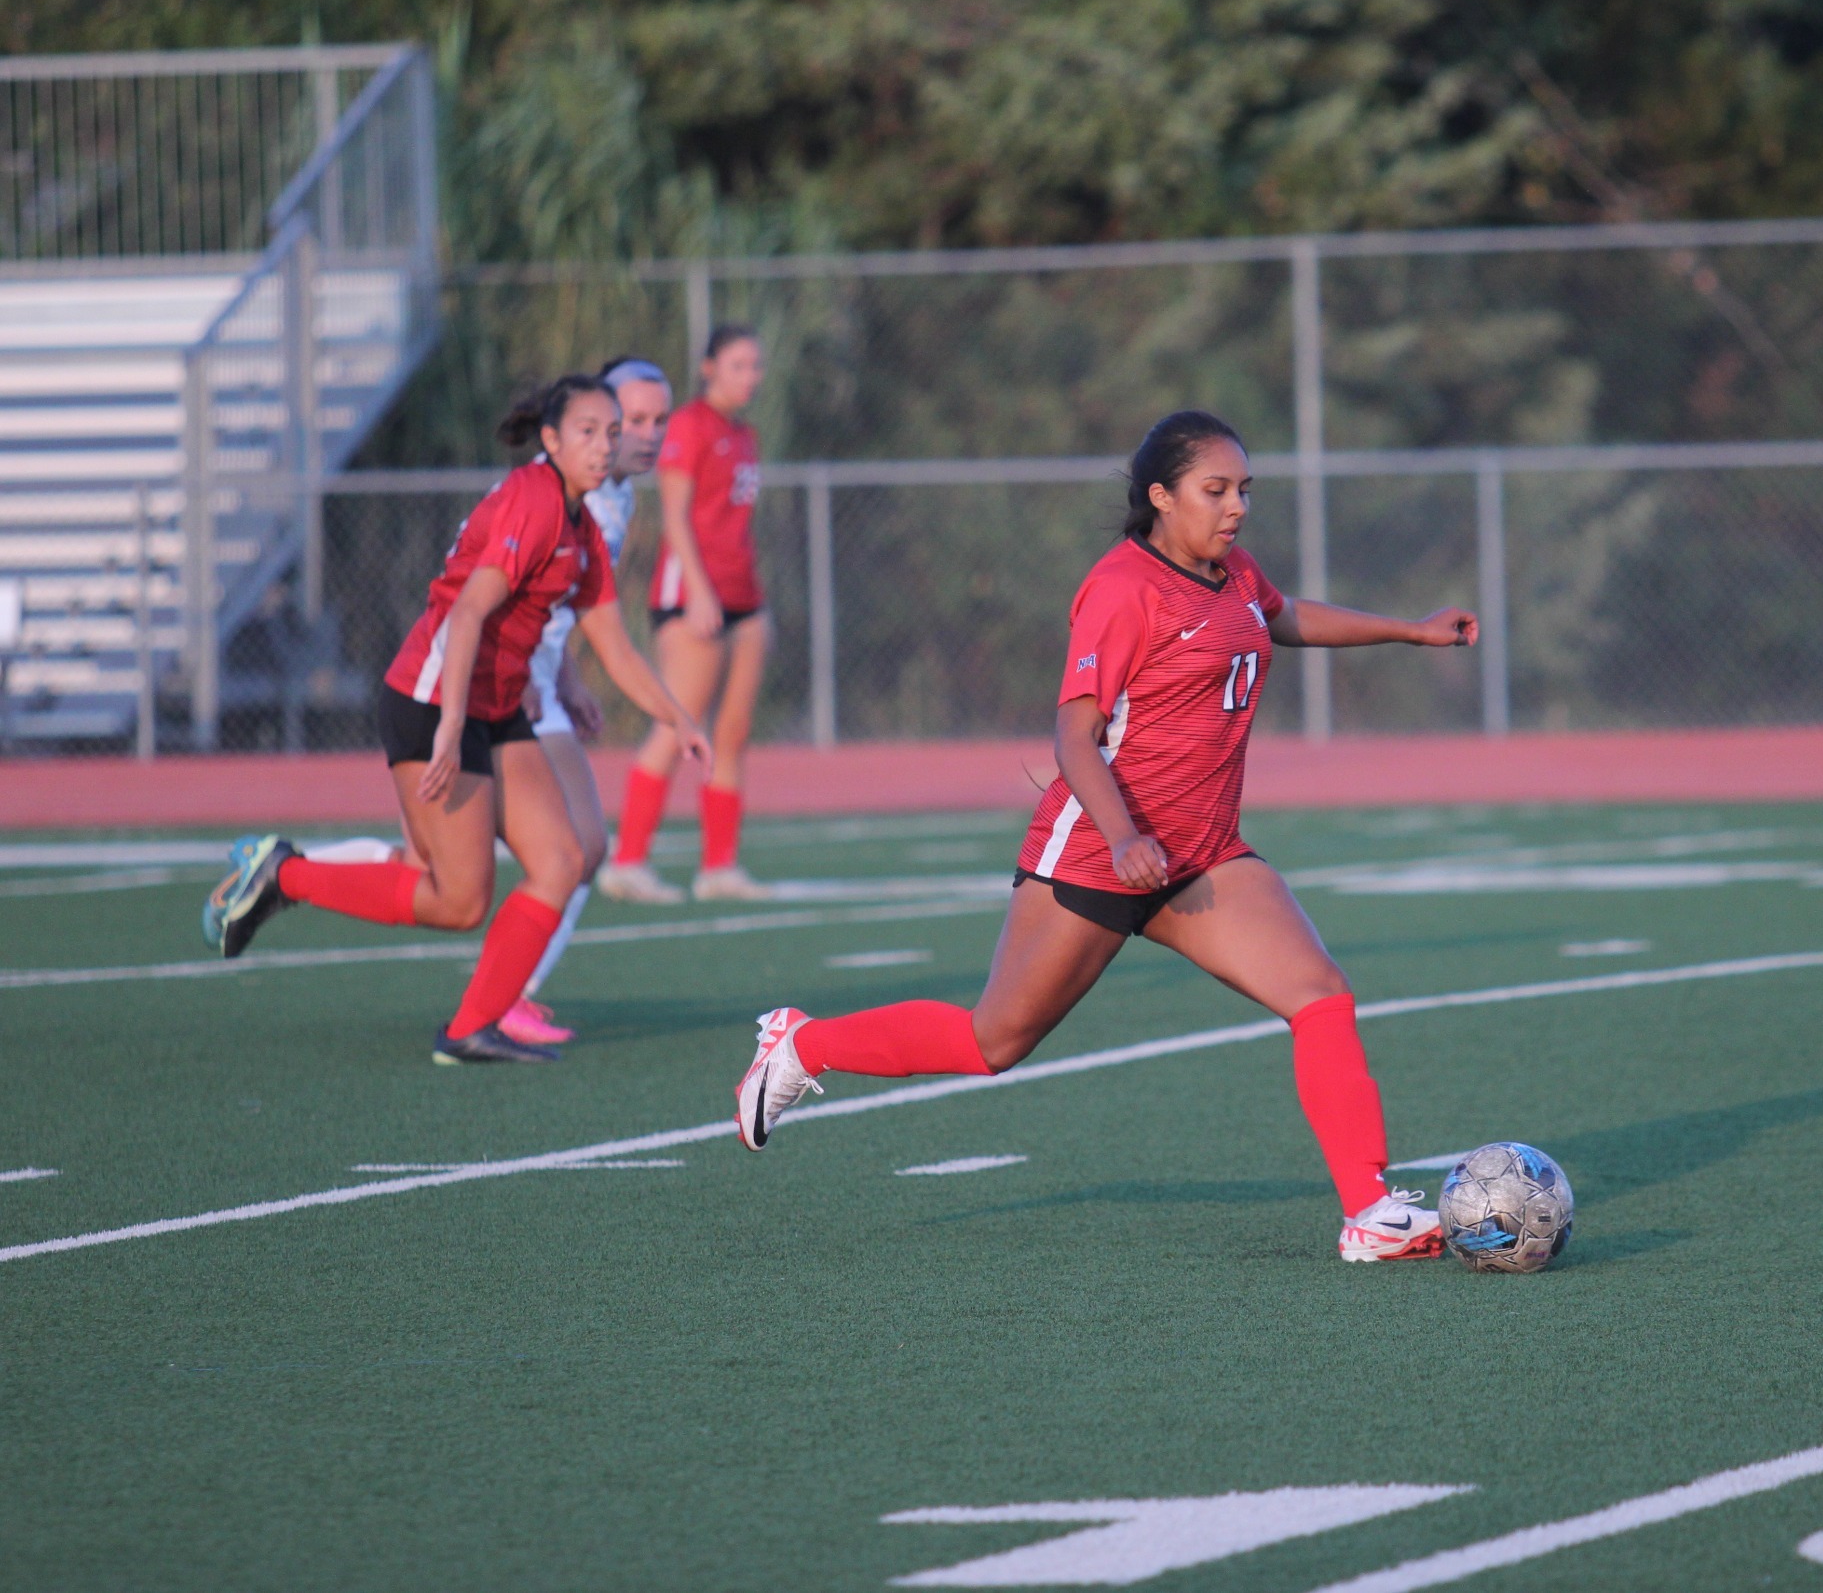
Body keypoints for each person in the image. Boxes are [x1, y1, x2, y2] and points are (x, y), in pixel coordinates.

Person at [731, 410, 1479, 1262]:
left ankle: (1370, 1211)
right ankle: (802, 1043)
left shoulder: (1233, 574)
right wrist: (1123, 835)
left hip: (1200, 851)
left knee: (1320, 994)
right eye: (1215, 490)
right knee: (993, 1042)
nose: (1236, 507)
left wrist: (1410, 630)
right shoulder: (1124, 589)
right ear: (1161, 497)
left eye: (1244, 490)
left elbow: (1283, 615)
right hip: (1095, 852)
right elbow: (1073, 735)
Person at [201, 376, 712, 1063]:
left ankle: (471, 1028)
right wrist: (447, 726)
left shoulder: (582, 528)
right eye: (589, 431)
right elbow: (468, 611)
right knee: (458, 901)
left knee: (561, 861)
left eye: (613, 432)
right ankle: (284, 875)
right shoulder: (534, 504)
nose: (607, 445)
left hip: (495, 710)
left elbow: (614, 645)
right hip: (432, 701)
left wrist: (677, 718)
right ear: (553, 441)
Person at [495, 356, 673, 1046]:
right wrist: (525, 674)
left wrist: (565, 675)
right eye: (632, 420)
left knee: (581, 847)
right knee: (453, 872)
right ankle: (290, 871)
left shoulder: (613, 497)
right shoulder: (574, 496)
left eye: (661, 420)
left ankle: (511, 993)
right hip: (498, 678)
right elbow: (496, 589)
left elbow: (567, 602)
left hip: (536, 675)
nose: (646, 435)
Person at [600, 323, 772, 904]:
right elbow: (675, 515)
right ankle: (627, 861)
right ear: (709, 368)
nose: (751, 376)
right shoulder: (692, 425)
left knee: (732, 733)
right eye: (739, 365)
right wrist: (699, 591)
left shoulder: (743, 433)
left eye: (756, 365)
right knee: (678, 723)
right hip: (694, 596)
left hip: (744, 597)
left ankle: (719, 868)